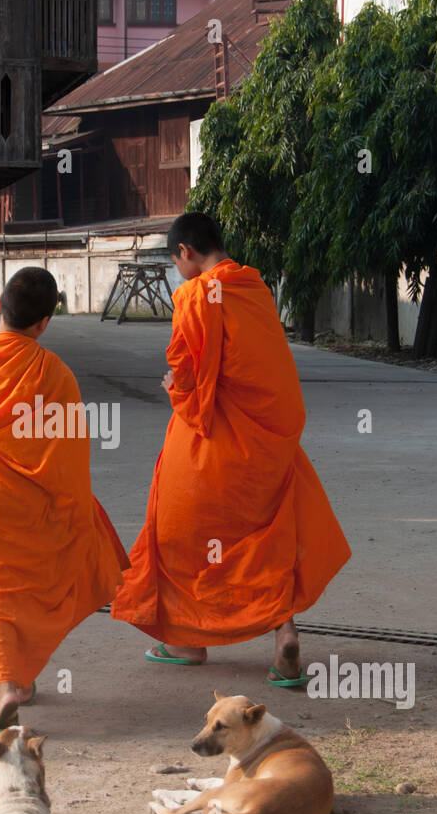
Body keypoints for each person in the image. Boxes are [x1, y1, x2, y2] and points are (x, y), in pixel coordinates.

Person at [110, 213, 350, 685]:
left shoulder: (197, 295)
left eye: (175, 259)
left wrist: (173, 388)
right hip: (265, 445)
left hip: (212, 441)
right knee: (264, 540)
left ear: (186, 253)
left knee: (175, 533)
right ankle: (284, 635)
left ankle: (185, 640)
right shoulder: (253, 286)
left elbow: (189, 375)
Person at [0, 267, 129, 730]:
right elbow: (70, 460)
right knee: (37, 590)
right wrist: (73, 514)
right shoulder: (56, 374)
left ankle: (8, 684)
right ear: (45, 323)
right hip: (38, 509)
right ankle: (16, 679)